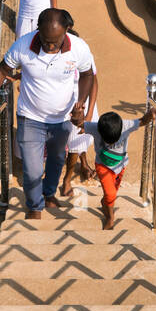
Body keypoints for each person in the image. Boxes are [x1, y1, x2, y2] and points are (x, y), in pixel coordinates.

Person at [0, 8, 95, 218]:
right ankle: (34, 205)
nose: (50, 46)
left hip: (62, 119)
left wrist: (80, 104)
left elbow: (87, 75)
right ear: (38, 29)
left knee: (57, 161)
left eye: (55, 42)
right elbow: (2, 70)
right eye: (45, 40)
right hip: (30, 117)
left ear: (67, 30)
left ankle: (49, 194)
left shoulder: (79, 48)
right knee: (32, 171)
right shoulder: (23, 45)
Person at [82, 105, 156, 229]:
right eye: (107, 141)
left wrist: (151, 113)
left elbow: (142, 121)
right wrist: (77, 115)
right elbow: (80, 124)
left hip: (121, 166)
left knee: (112, 192)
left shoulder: (126, 125)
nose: (110, 144)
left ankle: (105, 202)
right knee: (111, 193)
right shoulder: (95, 127)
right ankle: (111, 218)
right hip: (102, 166)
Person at [60, 30, 97, 197]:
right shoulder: (56, 56)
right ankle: (82, 164)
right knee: (72, 141)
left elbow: (94, 83)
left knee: (78, 141)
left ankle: (67, 179)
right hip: (62, 106)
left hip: (81, 107)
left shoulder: (83, 54)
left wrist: (88, 114)